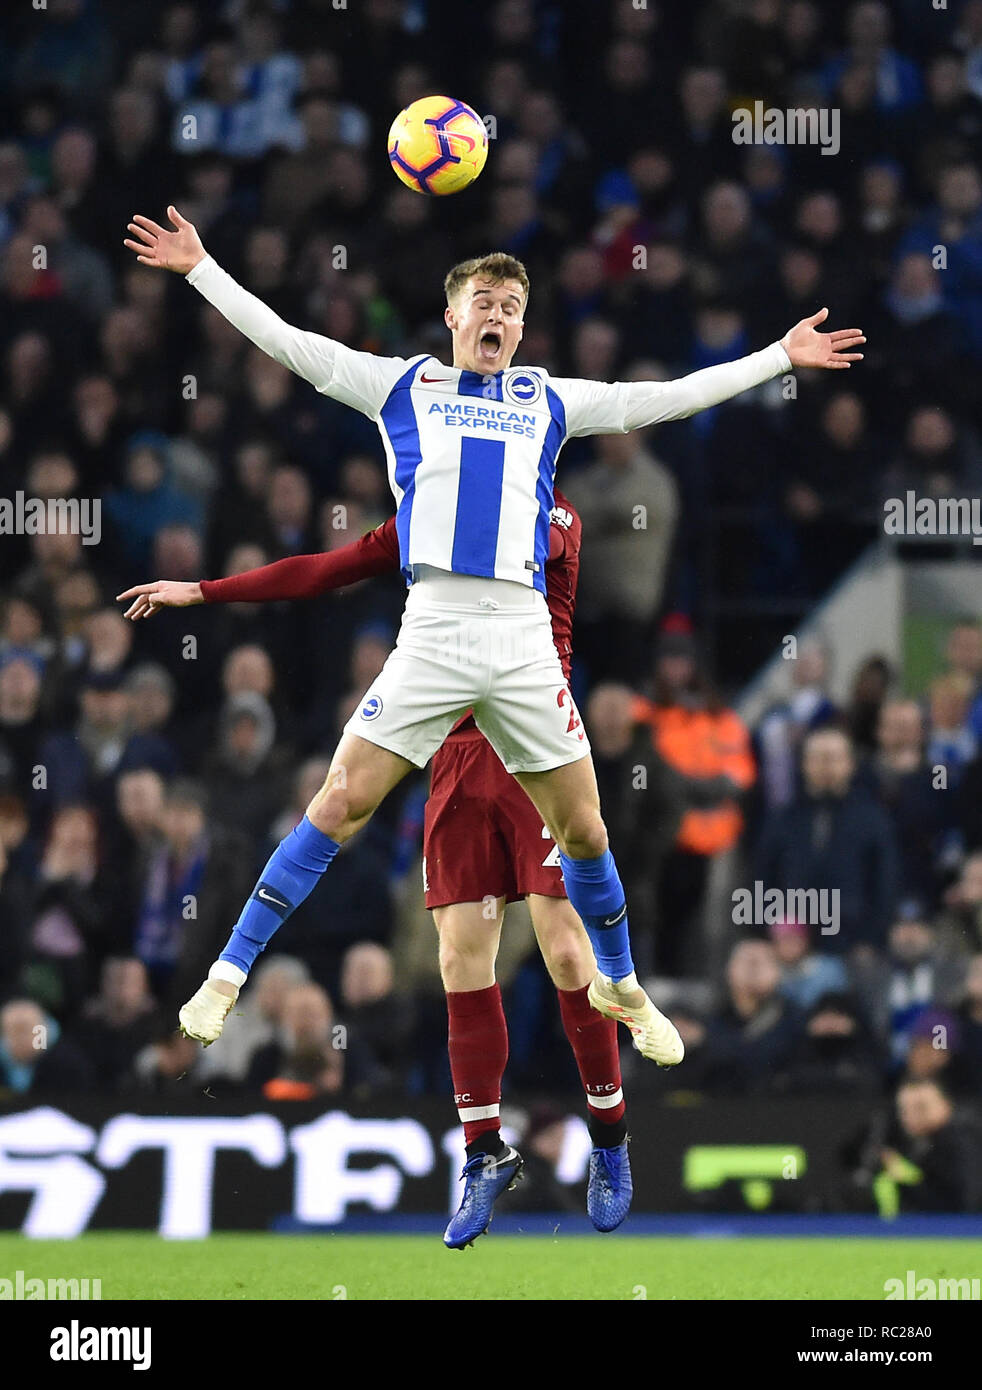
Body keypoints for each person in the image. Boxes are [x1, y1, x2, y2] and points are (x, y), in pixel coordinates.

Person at [119, 204, 863, 1243]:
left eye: (514, 307)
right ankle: (227, 975)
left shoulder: (546, 403)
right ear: (450, 313)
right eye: (484, 303)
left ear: (523, 327)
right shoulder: (402, 386)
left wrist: (773, 357)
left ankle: (627, 991)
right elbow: (289, 347)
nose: (499, 317)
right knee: (337, 801)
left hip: (517, 638)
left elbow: (663, 399)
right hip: (433, 630)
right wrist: (203, 269)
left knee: (592, 837)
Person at [119, 491, 646, 1240]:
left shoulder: (551, 517)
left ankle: (610, 1135)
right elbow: (327, 568)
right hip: (457, 759)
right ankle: (485, 1153)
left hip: (533, 751)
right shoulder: (431, 509)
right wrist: (205, 590)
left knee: (566, 952)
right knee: (462, 960)